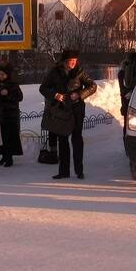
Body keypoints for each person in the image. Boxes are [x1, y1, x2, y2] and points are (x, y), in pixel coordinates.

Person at [39, 50, 97, 180]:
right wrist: (55, 95)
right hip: (61, 111)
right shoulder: (55, 72)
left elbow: (92, 86)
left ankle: (79, 170)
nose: (73, 63)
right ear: (64, 61)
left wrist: (80, 94)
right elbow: (43, 88)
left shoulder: (80, 71)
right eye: (71, 61)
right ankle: (64, 171)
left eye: (75, 61)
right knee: (63, 140)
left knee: (77, 139)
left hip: (76, 109)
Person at [0, 62, 23, 167]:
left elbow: (20, 97)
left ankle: (9, 157)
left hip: (11, 114)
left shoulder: (13, 84)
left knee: (10, 136)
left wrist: (9, 95)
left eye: (3, 74)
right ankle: (3, 156)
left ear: (7, 75)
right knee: (1, 136)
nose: (1, 76)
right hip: (0, 114)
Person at [117, 51, 136, 136]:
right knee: (133, 123)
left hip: (126, 100)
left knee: (128, 123)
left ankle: (127, 139)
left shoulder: (122, 72)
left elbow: (123, 90)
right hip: (132, 100)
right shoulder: (131, 71)